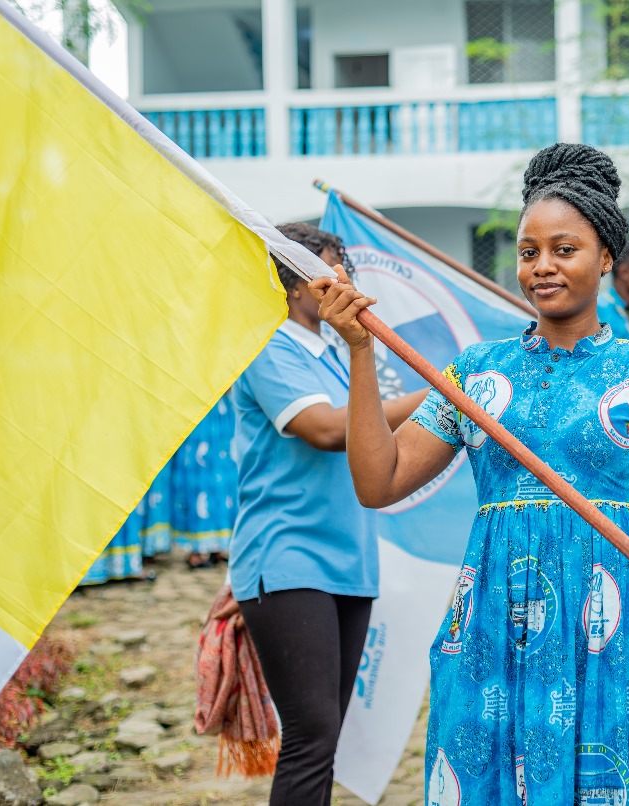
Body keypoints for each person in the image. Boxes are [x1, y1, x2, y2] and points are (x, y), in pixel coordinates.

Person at [313, 143, 629, 804]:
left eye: (564, 249)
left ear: (605, 259)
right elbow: (380, 482)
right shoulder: (475, 371)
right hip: (492, 621)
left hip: (614, 622)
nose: (542, 267)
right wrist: (361, 352)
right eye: (529, 251)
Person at [224, 222, 425, 805]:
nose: (346, 282)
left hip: (349, 560)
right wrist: (444, 390)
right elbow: (325, 429)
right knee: (311, 734)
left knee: (326, 733)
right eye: (332, 271)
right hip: (289, 558)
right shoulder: (267, 347)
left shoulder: (338, 356)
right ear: (295, 285)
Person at [171, 394, 239, 569]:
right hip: (198, 408)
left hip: (222, 411)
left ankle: (219, 545)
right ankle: (196, 549)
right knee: (198, 481)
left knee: (223, 481)